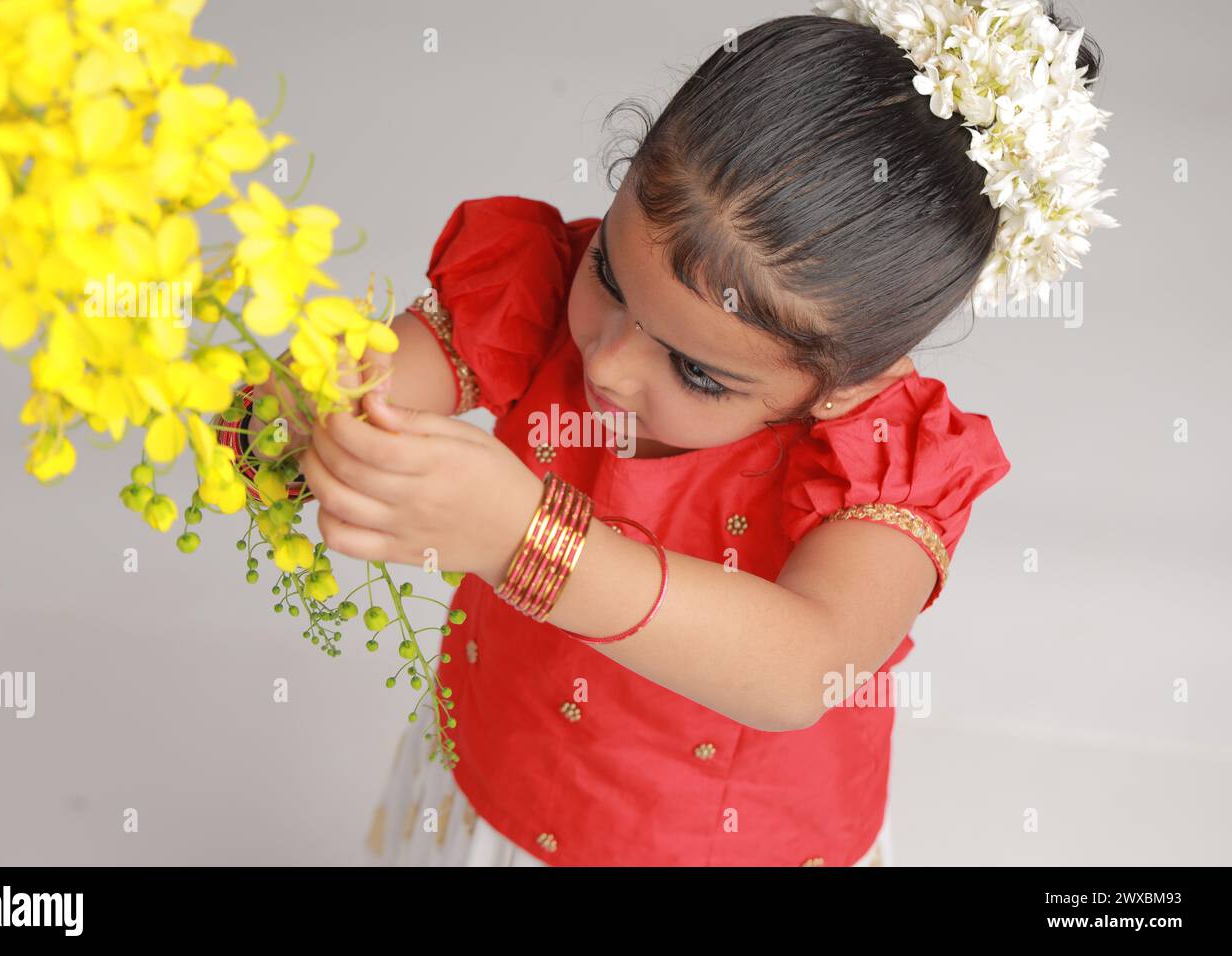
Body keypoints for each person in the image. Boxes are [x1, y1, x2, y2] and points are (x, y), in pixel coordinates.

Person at [237, 3, 1114, 866]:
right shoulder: (539, 289)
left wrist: (522, 540)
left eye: (697, 372)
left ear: (855, 379)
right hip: (506, 764)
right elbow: (350, 404)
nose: (612, 364)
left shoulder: (885, 459)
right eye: (610, 273)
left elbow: (802, 670)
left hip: (722, 842)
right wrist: (293, 426)